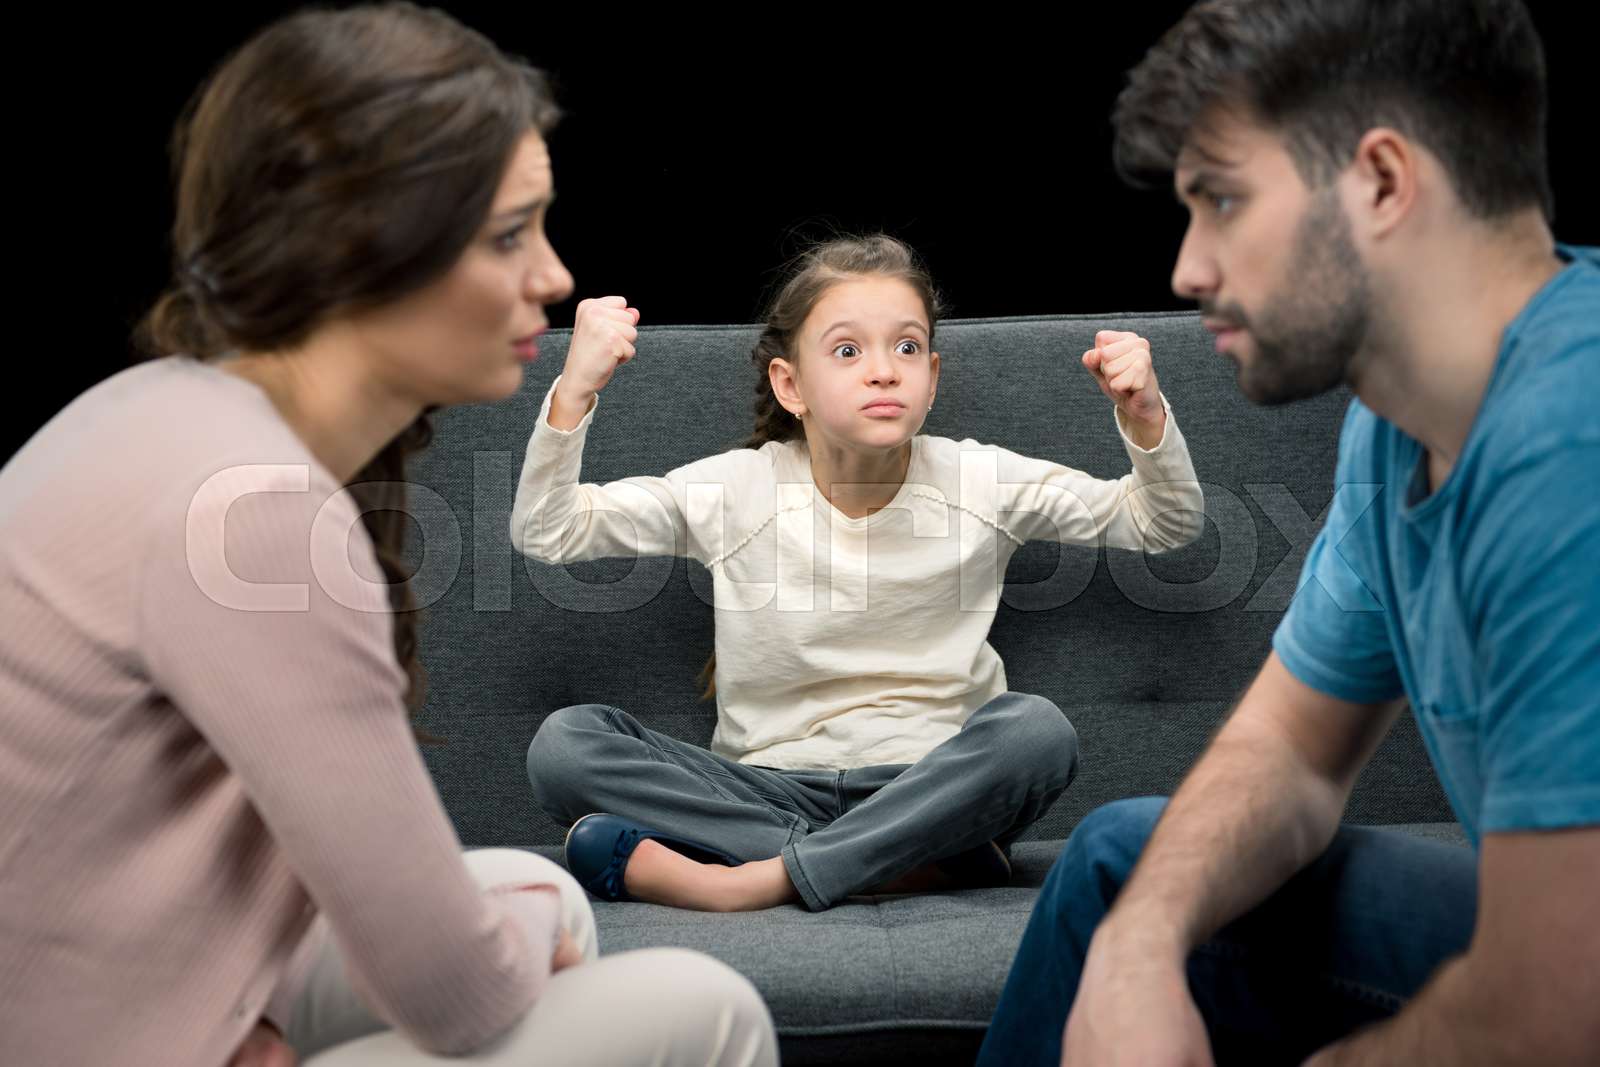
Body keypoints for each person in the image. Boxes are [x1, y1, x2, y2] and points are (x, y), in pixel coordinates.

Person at [0, 4, 776, 1065]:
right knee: (703, 1004)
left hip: (99, 978)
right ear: (362, 250)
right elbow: (460, 1000)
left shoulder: (159, 406)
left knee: (537, 890)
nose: (553, 276)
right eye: (510, 234)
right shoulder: (257, 512)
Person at [976, 1, 1600, 1064]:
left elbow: (1550, 1012)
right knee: (1127, 866)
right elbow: (1289, 753)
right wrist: (1133, 954)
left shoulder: (1567, 437)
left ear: (1383, 181)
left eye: (1220, 201)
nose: (1186, 268)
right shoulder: (1393, 428)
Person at [516, 234, 1204, 912]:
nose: (884, 370)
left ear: (931, 378)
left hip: (932, 785)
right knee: (566, 745)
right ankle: (902, 866)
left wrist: (1142, 414)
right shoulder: (733, 492)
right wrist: (575, 388)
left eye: (906, 348)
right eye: (848, 350)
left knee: (1037, 732)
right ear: (791, 385)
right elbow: (550, 531)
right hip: (769, 785)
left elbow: (1161, 523)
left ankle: (750, 877)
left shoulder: (983, 481)